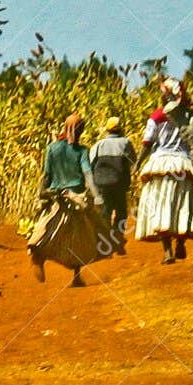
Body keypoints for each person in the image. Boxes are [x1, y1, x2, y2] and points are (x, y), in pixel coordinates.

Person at [27, 114, 109, 287]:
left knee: (46, 229)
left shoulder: (52, 148)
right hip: (76, 199)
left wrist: (42, 193)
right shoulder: (82, 151)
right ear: (79, 131)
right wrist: (97, 195)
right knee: (80, 238)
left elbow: (47, 174)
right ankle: (76, 274)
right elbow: (87, 173)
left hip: (55, 198)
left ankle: (39, 255)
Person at [133, 78, 193, 263]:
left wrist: (137, 163)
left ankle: (167, 252)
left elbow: (147, 144)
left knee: (161, 205)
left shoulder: (156, 117)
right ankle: (180, 242)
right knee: (182, 203)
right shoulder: (189, 116)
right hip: (183, 163)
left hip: (161, 163)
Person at [88, 116, 136, 252]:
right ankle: (118, 239)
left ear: (107, 130)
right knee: (121, 213)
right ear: (120, 129)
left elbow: (91, 164)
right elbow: (133, 161)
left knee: (106, 212)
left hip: (101, 184)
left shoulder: (99, 144)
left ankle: (105, 242)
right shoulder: (125, 142)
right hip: (119, 183)